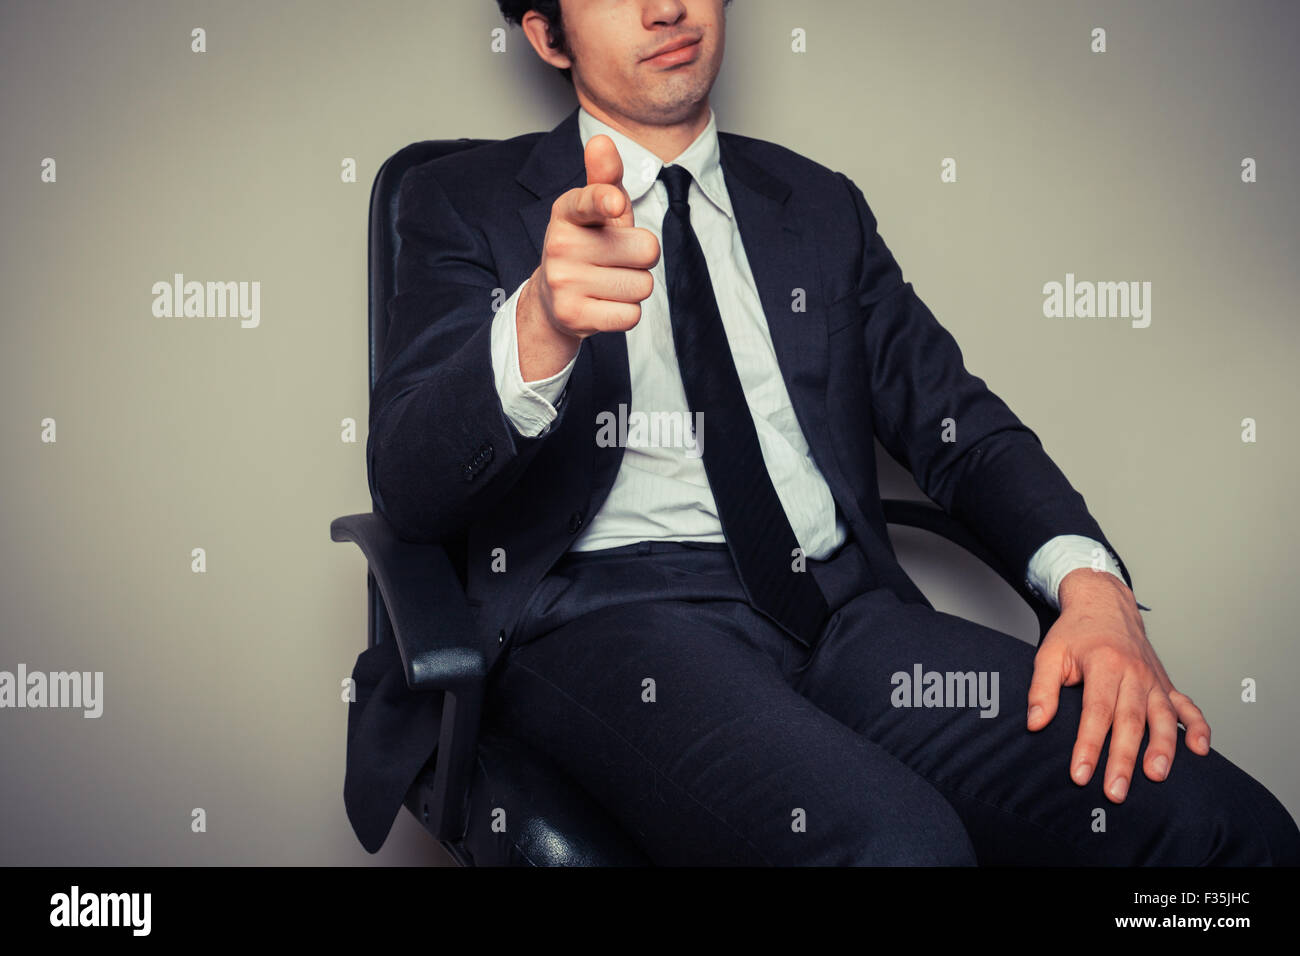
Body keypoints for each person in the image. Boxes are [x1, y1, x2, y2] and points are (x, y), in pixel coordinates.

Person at [357, 0, 1300, 864]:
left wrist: (1093, 589)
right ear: (547, 34)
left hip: (842, 616)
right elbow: (410, 484)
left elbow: (959, 425)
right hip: (613, 625)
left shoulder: (817, 207)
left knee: (1229, 833)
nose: (665, 7)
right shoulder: (459, 200)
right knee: (903, 852)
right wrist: (537, 327)